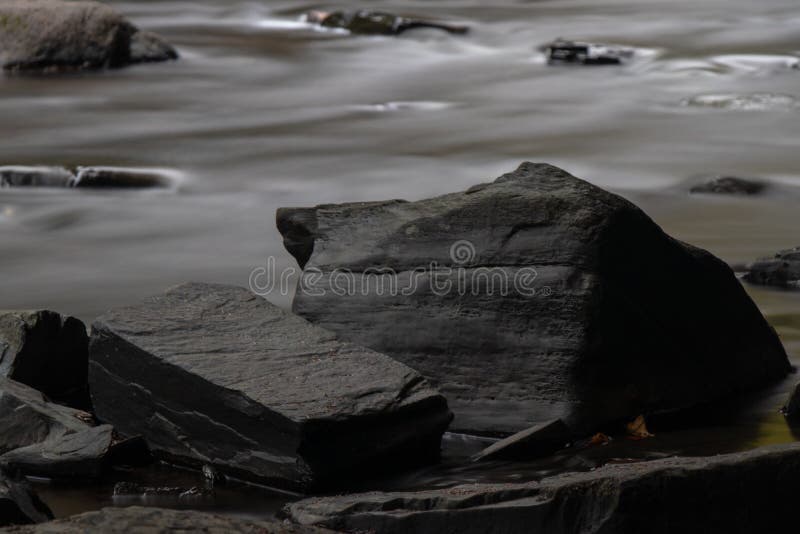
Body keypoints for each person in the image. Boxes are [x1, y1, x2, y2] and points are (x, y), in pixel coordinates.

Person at [305, 10, 468, 36]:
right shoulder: (331, 21)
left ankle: (450, 30)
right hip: (385, 27)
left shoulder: (334, 20)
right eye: (318, 13)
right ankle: (450, 30)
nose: (322, 13)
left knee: (416, 26)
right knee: (417, 25)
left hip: (385, 27)